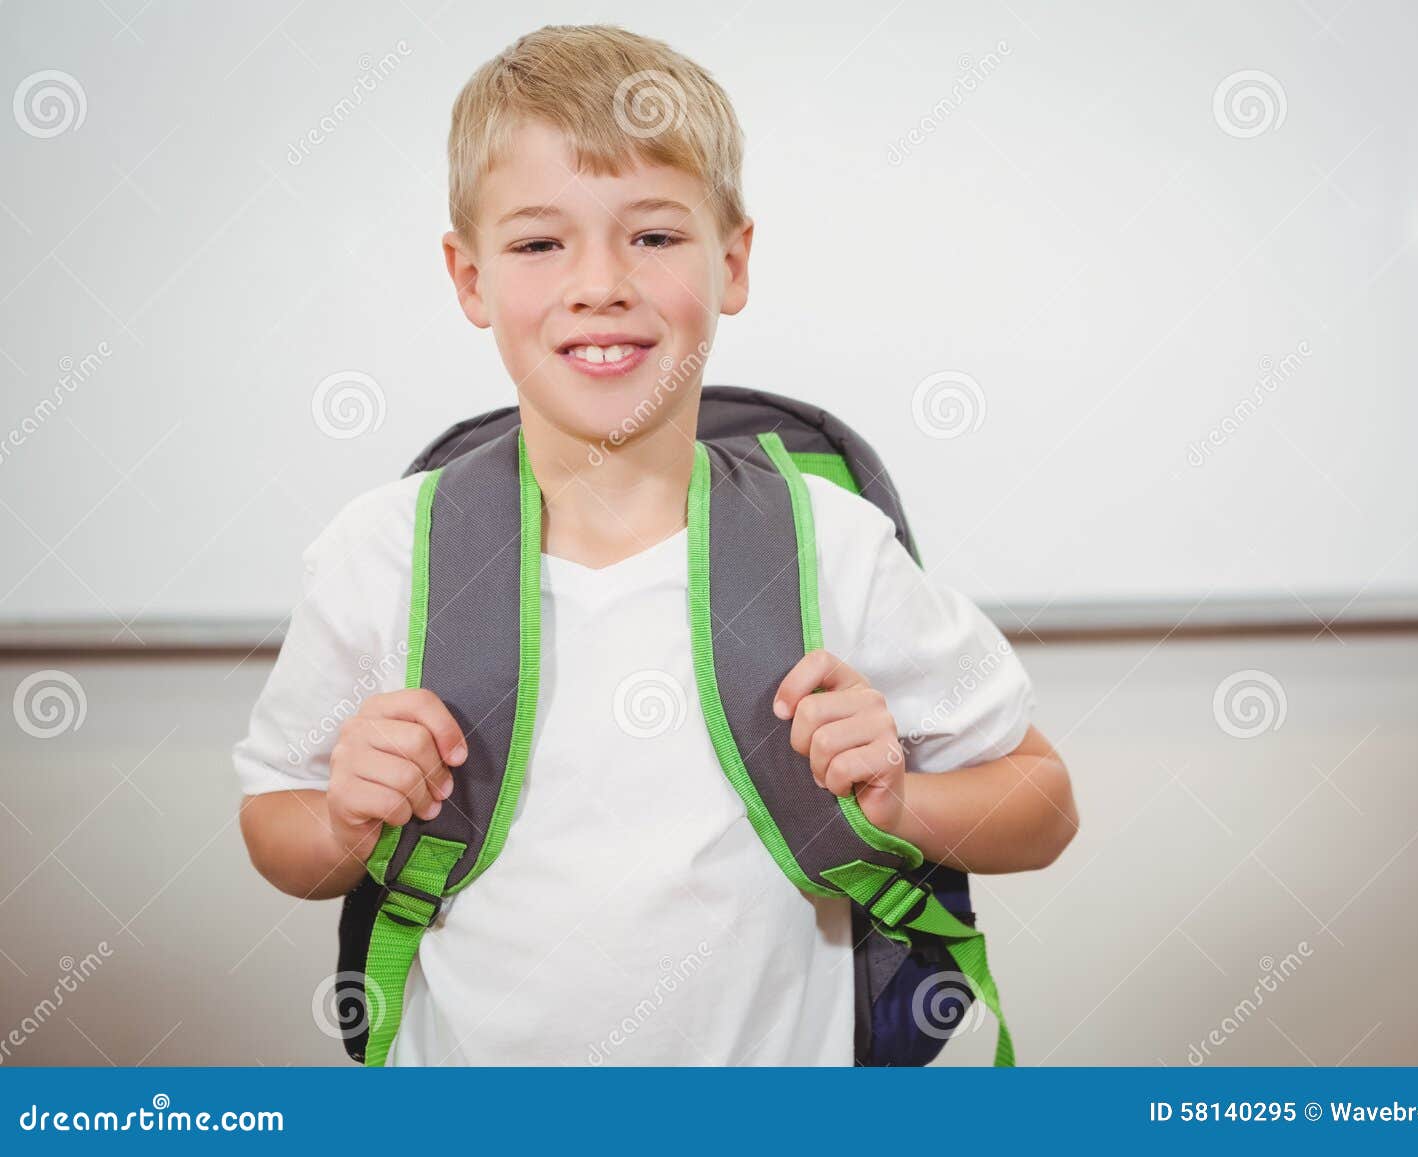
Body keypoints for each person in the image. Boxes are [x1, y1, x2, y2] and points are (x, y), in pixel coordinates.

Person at [234, 23, 1078, 1065]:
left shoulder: (832, 546)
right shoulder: (380, 555)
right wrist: (342, 824)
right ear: (469, 278)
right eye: (540, 243)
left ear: (732, 262)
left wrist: (904, 801)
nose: (601, 284)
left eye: (654, 236)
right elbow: (278, 820)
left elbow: (1042, 807)